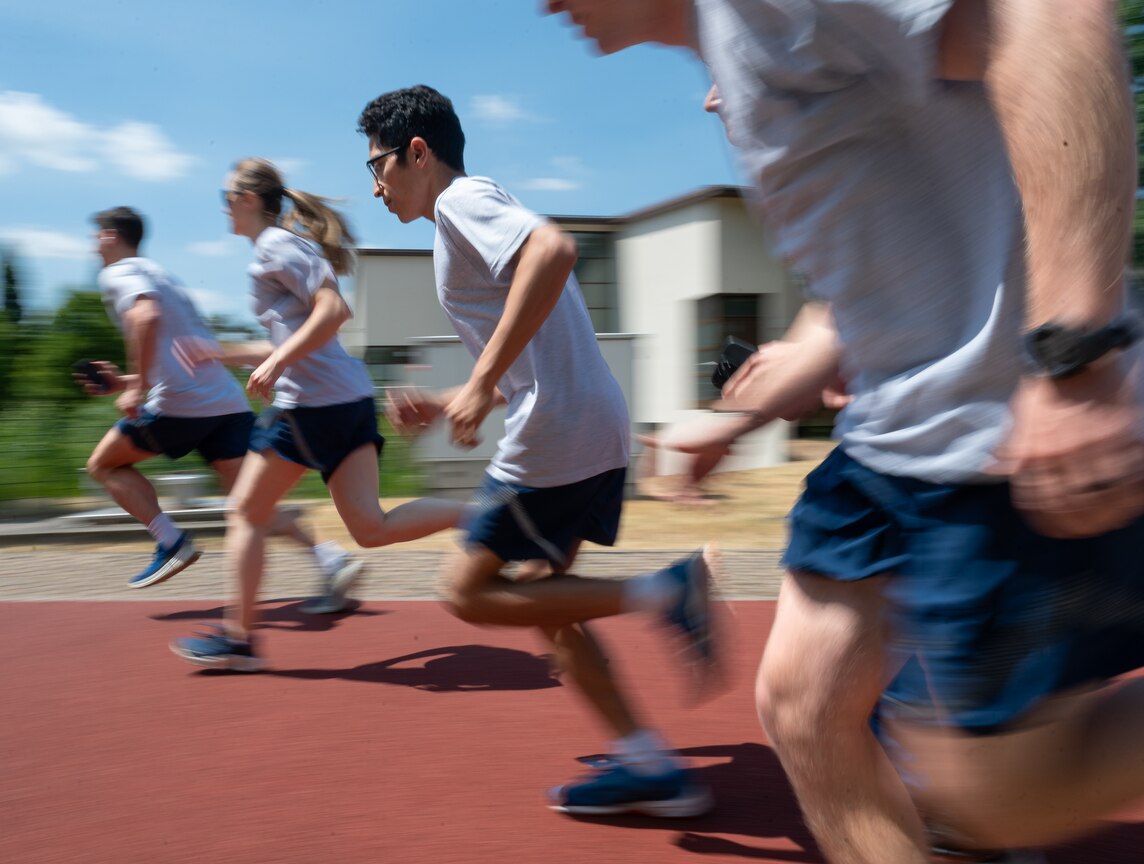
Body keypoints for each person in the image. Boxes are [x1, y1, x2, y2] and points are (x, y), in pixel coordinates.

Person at [546, 3, 1144, 863]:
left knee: (1003, 803)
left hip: (1001, 432)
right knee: (805, 709)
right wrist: (740, 417)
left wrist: (1077, 350)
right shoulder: (740, 52)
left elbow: (1043, 17)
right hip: (892, 442)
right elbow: (864, 276)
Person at [358, 86, 721, 816]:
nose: (375, 185)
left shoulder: (462, 203)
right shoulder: (461, 220)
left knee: (463, 591)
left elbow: (555, 251)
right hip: (586, 424)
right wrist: (461, 395)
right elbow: (536, 340)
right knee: (547, 607)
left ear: (418, 153)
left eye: (380, 165)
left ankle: (667, 591)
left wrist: (485, 378)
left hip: (555, 435)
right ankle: (651, 765)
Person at [170, 159, 467, 671]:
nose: (222, 209)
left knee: (244, 512)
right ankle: (482, 516)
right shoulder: (280, 247)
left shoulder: (275, 246)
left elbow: (333, 311)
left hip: (310, 407)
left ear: (247, 200)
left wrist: (277, 362)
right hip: (345, 400)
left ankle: (239, 640)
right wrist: (223, 353)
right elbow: (291, 335)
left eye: (226, 199)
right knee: (371, 528)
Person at [83, 206, 361, 610]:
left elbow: (146, 316)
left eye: (96, 235)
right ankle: (330, 558)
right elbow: (174, 350)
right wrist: (124, 383)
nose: (93, 244)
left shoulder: (116, 273)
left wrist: (138, 388)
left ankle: (170, 541)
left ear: (110, 236)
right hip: (223, 402)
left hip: (180, 404)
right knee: (250, 502)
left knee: (103, 465)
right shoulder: (160, 274)